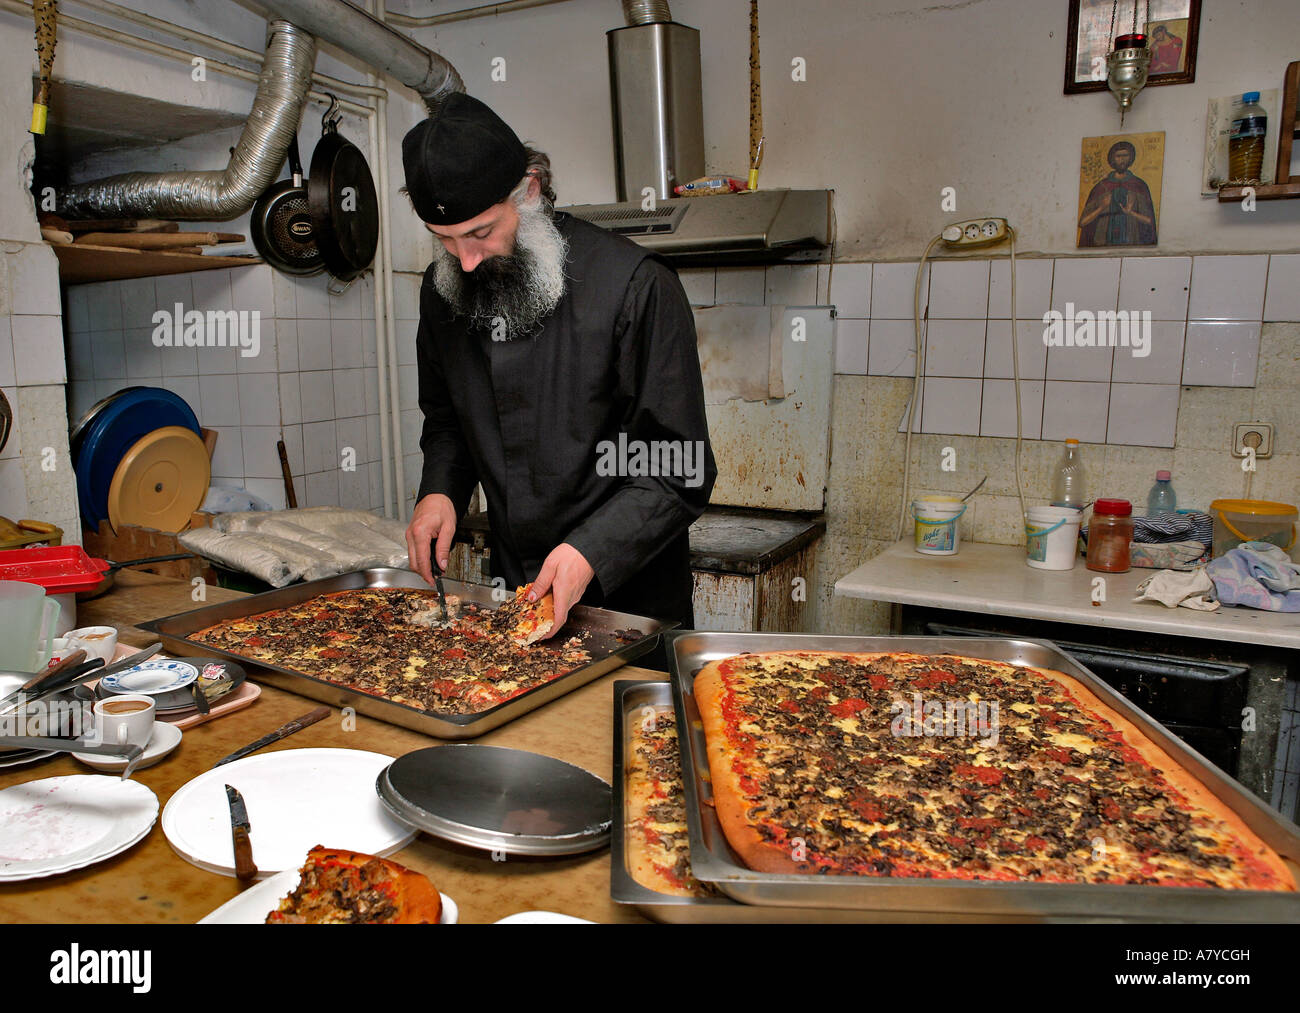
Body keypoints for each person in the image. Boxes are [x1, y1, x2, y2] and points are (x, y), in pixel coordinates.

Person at [400, 93, 716, 636]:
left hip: (626, 599)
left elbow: (678, 465)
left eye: (480, 232)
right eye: (444, 241)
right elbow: (449, 418)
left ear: (528, 191)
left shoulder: (635, 285)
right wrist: (440, 491)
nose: (467, 261)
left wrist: (589, 550)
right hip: (515, 592)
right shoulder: (443, 288)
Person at [1077, 140, 1157, 247]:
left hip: (1131, 238)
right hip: (1101, 241)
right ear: (1112, 159)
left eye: (1125, 155)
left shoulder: (1139, 185)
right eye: (1118, 156)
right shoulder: (1101, 187)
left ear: (1131, 158)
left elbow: (1149, 221)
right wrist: (1101, 207)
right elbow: (1082, 222)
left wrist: (1130, 213)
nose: (1122, 160)